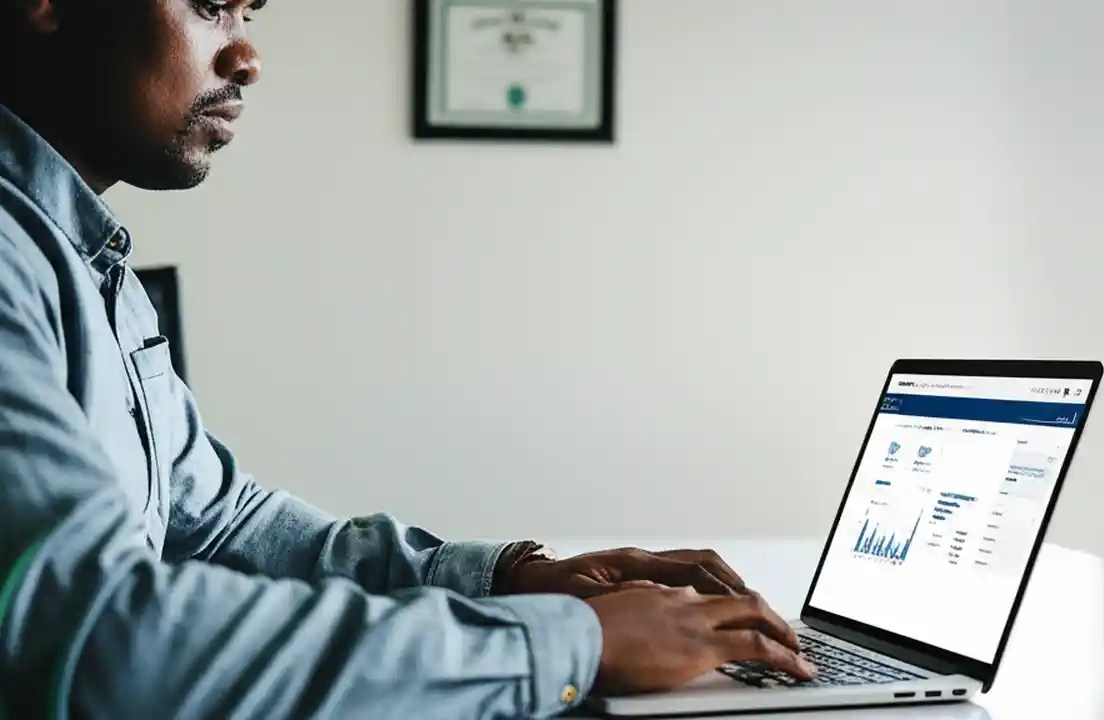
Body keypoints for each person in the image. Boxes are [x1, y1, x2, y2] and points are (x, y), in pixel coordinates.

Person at [0, 1, 815, 717]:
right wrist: (566, 644)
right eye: (213, 5)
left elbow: (214, 529)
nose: (248, 56)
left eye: (252, 15)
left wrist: (512, 581)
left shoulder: (80, 259)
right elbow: (100, 645)